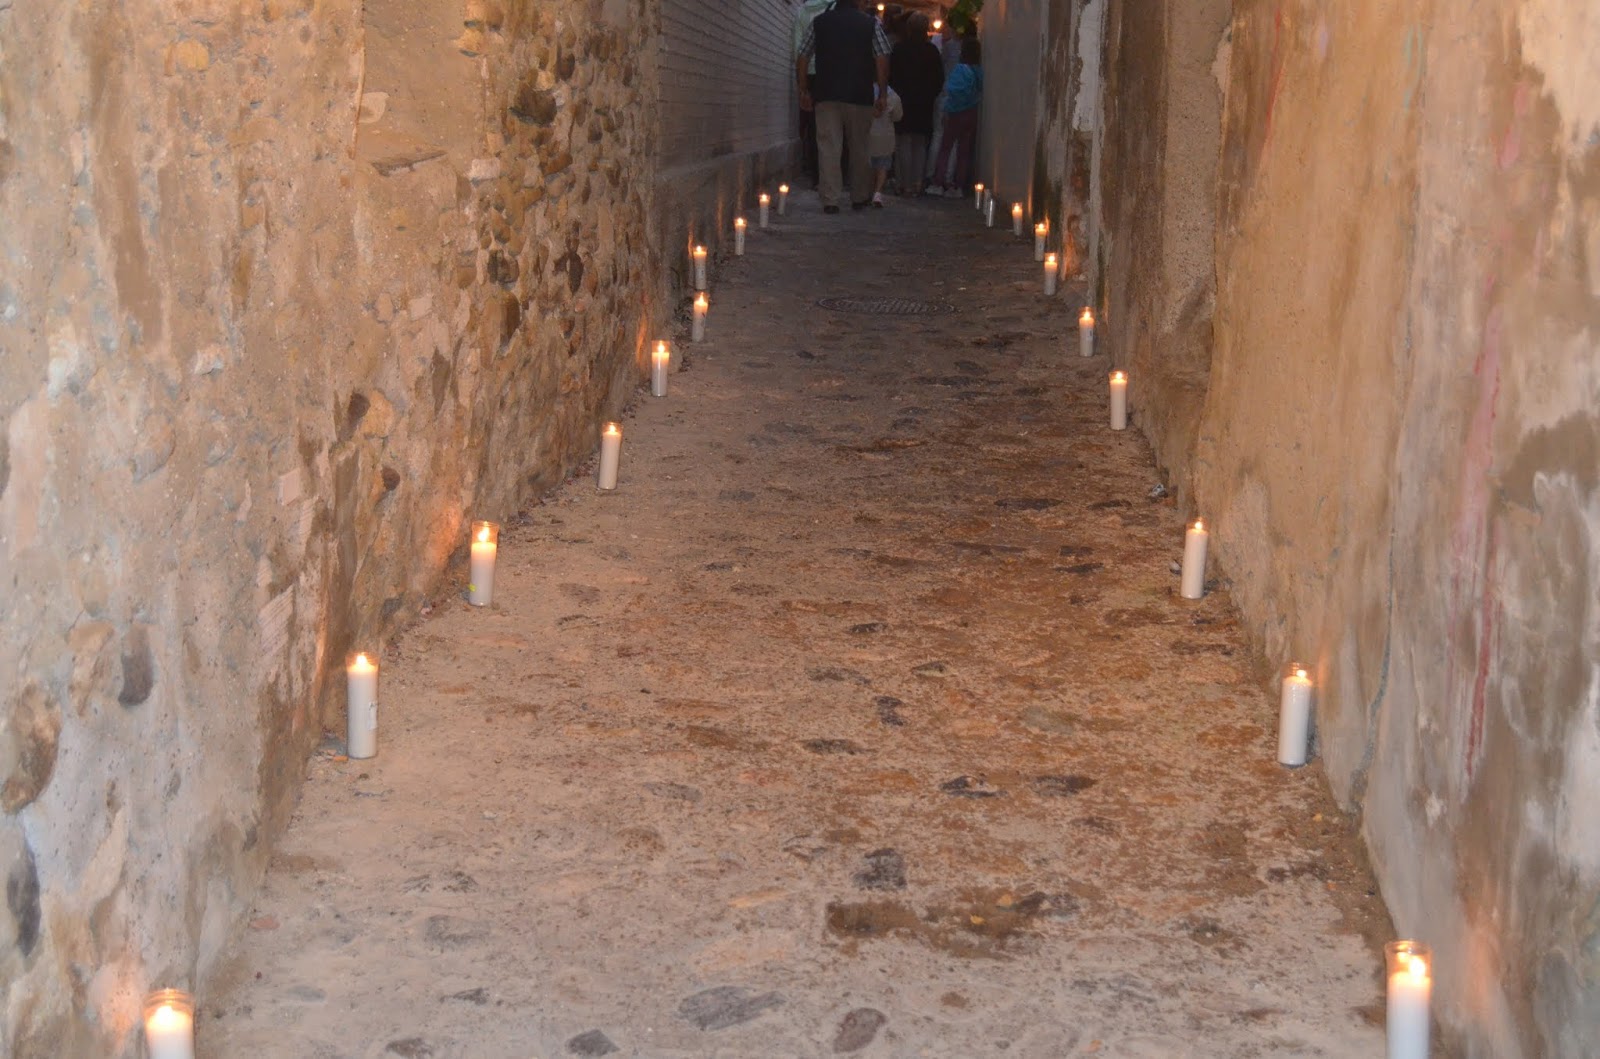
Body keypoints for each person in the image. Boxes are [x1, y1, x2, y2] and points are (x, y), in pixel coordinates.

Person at [797, 0, 892, 213]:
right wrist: (882, 92)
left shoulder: (819, 22)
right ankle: (859, 196)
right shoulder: (870, 24)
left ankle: (830, 199)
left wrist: (803, 89)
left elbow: (802, 55)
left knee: (828, 147)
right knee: (860, 147)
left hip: (826, 93)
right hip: (859, 94)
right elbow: (882, 57)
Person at [888, 12, 944, 196]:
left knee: (903, 142)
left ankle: (903, 183)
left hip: (904, 100)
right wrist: (930, 94)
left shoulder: (899, 49)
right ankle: (917, 182)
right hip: (924, 102)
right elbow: (939, 79)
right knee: (920, 144)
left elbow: (891, 75)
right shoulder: (932, 52)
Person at [931, 37, 982, 198]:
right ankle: (958, 186)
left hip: (956, 113)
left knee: (946, 148)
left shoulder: (960, 70)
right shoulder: (979, 71)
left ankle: (939, 182)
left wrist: (947, 111)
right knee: (964, 151)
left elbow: (951, 91)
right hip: (972, 112)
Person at [792, 0, 834, 187]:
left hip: (808, 74)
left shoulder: (802, 12)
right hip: (830, 73)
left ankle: (817, 175)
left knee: (814, 126)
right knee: (833, 124)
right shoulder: (835, 8)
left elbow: (797, 50)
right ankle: (834, 174)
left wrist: (802, 87)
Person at [868, 83, 903, 206]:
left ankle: (868, 191)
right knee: (882, 166)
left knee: (870, 165)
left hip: (868, 134)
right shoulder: (893, 97)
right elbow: (898, 116)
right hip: (885, 136)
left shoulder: (866, 92)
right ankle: (877, 193)